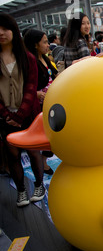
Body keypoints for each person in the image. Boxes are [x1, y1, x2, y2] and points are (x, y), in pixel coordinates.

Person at [0, 13, 45, 207]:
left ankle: (39, 186)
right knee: (13, 155)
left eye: (5, 28)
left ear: (13, 30)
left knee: (34, 152)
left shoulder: (27, 58)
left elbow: (30, 87)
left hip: (28, 115)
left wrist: (19, 115)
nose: (1, 33)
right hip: (5, 117)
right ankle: (21, 191)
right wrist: (6, 115)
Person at [23, 29, 58, 175]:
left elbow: (55, 75)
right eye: (44, 42)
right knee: (45, 134)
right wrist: (36, 94)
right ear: (35, 44)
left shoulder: (46, 59)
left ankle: (44, 161)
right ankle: (42, 164)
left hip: (51, 102)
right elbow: (25, 84)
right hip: (40, 106)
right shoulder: (29, 61)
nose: (48, 45)